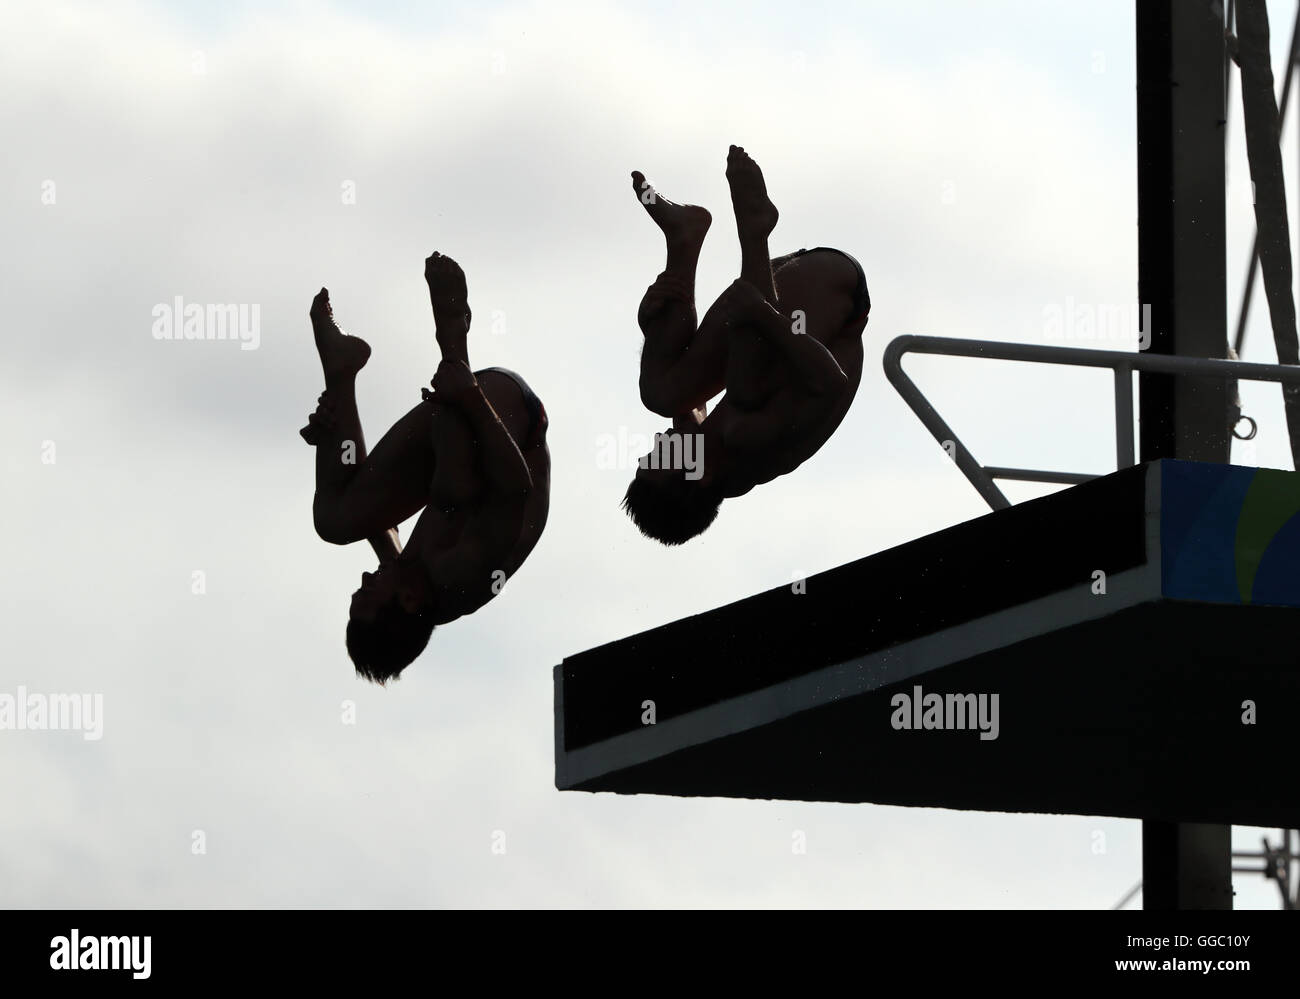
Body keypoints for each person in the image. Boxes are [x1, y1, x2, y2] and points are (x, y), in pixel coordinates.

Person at [301, 252, 550, 683]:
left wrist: (332, 439)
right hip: (511, 418)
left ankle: (340, 370)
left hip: (457, 425)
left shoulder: (411, 579)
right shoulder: (464, 573)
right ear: (410, 599)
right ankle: (454, 342)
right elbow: (515, 488)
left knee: (334, 520)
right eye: (368, 592)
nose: (364, 576)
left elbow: (381, 526)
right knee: (454, 492)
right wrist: (469, 395)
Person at [624, 145, 870, 545]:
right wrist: (764, 315)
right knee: (744, 389)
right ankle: (753, 235)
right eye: (658, 459)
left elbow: (688, 402)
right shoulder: (749, 442)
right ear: (694, 474)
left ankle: (683, 239)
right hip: (834, 293)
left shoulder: (709, 453)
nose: (654, 445)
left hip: (781, 287)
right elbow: (831, 382)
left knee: (660, 392)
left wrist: (652, 323)